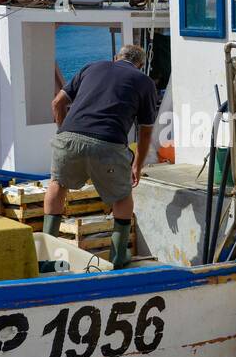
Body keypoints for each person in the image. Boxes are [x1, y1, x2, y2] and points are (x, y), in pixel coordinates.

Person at [44, 43, 159, 269]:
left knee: (57, 185)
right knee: (122, 195)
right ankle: (117, 258)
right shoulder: (144, 82)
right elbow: (146, 132)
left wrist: (63, 131)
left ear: (116, 57)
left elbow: (57, 102)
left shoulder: (91, 67)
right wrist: (137, 165)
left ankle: (47, 254)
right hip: (109, 143)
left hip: (68, 137)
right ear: (141, 65)